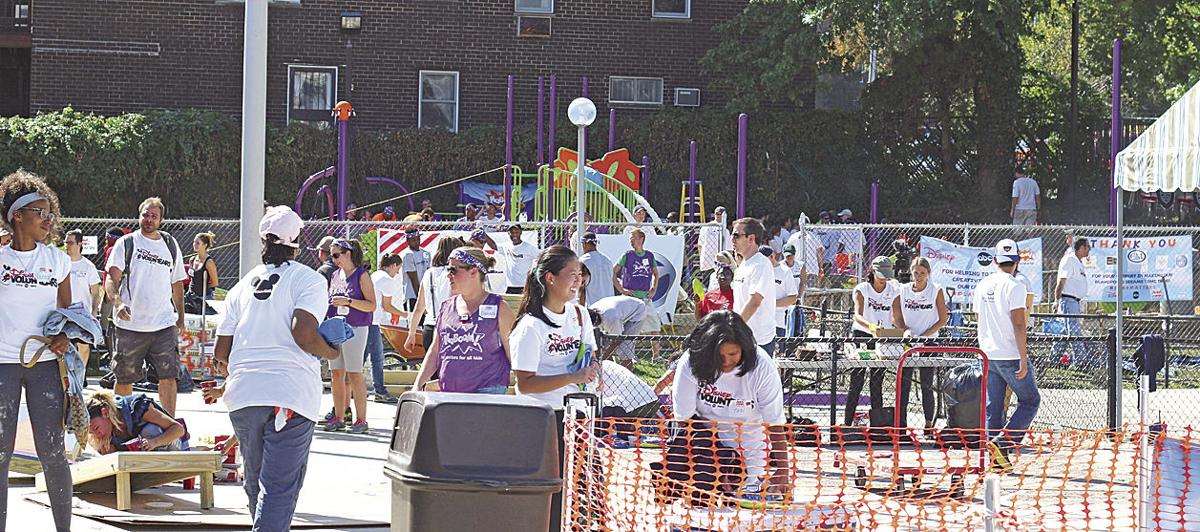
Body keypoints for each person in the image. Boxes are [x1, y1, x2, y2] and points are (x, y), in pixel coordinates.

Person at [213, 205, 341, 530]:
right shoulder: (308, 280)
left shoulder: (241, 287)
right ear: (296, 243)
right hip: (289, 396)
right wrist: (331, 352)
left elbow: (220, 351)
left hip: (242, 396)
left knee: (256, 484)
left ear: (262, 240)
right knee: (279, 489)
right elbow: (303, 333)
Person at [0, 170, 73, 532]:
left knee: (53, 453)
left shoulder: (57, 260)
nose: (48, 220)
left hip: (44, 364)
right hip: (3, 366)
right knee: (1, 455)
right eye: (39, 212)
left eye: (50, 213)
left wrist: (64, 337)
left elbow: (68, 313)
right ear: (17, 216)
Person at [664, 310, 788, 502]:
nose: (726, 362)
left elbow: (775, 422)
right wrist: (718, 462)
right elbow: (685, 421)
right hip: (701, 445)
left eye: (733, 354)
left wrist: (783, 470)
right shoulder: (690, 362)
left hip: (750, 450)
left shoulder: (762, 366)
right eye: (719, 356)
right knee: (700, 501)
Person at [105, 197, 188, 416]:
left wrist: (180, 315)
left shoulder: (170, 244)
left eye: (154, 216)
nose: (149, 220)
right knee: (124, 378)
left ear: (161, 220)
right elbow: (111, 279)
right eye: (145, 215)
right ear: (139, 215)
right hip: (130, 325)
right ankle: (122, 424)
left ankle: (170, 425)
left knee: (169, 376)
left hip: (163, 324)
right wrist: (118, 302)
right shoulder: (127, 243)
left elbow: (177, 282)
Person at [974, 239, 1040, 471]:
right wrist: (1023, 357)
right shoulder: (1016, 286)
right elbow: (1019, 324)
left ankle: (996, 461)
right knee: (1031, 401)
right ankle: (1002, 444)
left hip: (987, 353)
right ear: (1017, 261)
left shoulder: (982, 284)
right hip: (1009, 354)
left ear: (995, 260)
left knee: (994, 407)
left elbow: (978, 318)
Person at [413, 247, 515, 394]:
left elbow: (514, 354)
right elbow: (435, 351)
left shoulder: (499, 308)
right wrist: (418, 385)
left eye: (453, 270)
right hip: (450, 392)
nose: (448, 275)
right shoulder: (447, 306)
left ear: (473, 272)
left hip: (487, 393)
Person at [510, 245, 599, 408]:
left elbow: (591, 355)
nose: (578, 280)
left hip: (579, 411)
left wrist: (594, 368)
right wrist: (573, 377)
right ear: (550, 278)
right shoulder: (530, 326)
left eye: (580, 274)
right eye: (572, 274)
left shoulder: (580, 314)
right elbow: (525, 385)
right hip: (542, 415)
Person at [323, 239, 376, 433]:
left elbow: (371, 305)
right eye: (332, 255)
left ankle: (361, 419)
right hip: (336, 328)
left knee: (354, 373)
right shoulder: (336, 275)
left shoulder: (361, 275)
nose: (334, 259)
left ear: (348, 253)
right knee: (336, 373)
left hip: (356, 328)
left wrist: (349, 301)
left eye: (337, 255)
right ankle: (339, 415)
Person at [891, 257, 948, 430]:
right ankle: (901, 425)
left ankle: (929, 425)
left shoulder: (936, 290)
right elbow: (895, 314)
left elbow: (942, 319)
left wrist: (924, 336)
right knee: (904, 384)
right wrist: (905, 330)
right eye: (916, 272)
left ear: (928, 273)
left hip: (929, 342)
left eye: (922, 273)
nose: (919, 276)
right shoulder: (904, 290)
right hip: (909, 342)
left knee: (926, 384)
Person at [845, 256, 901, 428]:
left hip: (882, 336)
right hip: (862, 333)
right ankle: (847, 424)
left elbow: (897, 315)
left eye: (886, 274)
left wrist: (900, 330)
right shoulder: (862, 289)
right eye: (880, 274)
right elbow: (858, 314)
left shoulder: (893, 289)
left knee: (877, 382)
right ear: (872, 272)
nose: (883, 278)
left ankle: (878, 426)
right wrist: (870, 326)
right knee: (857, 380)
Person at [406, 237, 465, 353]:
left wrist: (411, 334)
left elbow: (419, 308)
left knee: (432, 367)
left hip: (429, 327)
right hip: (450, 326)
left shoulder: (429, 273)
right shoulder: (454, 274)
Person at [730, 217, 776, 355]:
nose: (732, 239)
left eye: (736, 235)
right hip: (743, 338)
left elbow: (755, 301)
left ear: (751, 239)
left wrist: (733, 327)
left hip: (759, 341)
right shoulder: (743, 265)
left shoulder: (760, 264)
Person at [85, 391, 186, 454]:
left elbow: (178, 429)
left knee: (151, 431)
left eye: (96, 428)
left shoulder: (137, 407)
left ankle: (158, 472)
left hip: (173, 444)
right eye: (91, 432)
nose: (96, 434)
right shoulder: (101, 435)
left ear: (105, 413)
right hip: (143, 459)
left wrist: (154, 442)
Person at [366, 253, 404, 404]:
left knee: (363, 357)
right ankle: (380, 391)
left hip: (366, 320)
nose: (398, 273)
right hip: (372, 322)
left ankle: (350, 387)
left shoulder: (376, 275)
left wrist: (395, 313)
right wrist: (405, 314)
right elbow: (386, 306)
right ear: (394, 265)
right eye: (398, 269)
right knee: (377, 358)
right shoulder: (387, 279)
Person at [1054, 237, 1093, 368]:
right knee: (1074, 331)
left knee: (1067, 332)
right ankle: (1081, 362)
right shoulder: (1070, 260)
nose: (1089, 250)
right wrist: (1056, 300)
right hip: (1068, 300)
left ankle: (1053, 358)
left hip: (1074, 302)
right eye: (1088, 247)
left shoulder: (1078, 262)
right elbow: (1061, 281)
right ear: (1082, 248)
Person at [65, 230, 102, 363]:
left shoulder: (88, 266)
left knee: (83, 345)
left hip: (82, 312)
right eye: (66, 242)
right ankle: (67, 376)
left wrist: (93, 312)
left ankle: (81, 373)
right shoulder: (61, 263)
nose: (67, 246)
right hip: (64, 311)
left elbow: (96, 292)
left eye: (70, 243)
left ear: (79, 244)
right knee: (64, 344)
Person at [587, 296, 648, 368]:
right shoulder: (589, 313)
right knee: (603, 345)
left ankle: (627, 374)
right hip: (622, 310)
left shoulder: (611, 318)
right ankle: (609, 370)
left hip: (637, 311)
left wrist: (602, 357)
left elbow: (617, 339)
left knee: (625, 347)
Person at [612, 228, 658, 301]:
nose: (631, 240)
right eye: (630, 238)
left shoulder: (649, 256)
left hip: (645, 297)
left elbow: (656, 273)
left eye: (633, 238)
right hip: (629, 297)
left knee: (650, 312)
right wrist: (621, 290)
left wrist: (653, 289)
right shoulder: (627, 255)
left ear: (641, 239)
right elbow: (613, 271)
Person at [765, 246, 798, 340]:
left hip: (779, 321)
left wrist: (772, 303)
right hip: (762, 321)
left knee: (780, 352)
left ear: (772, 256)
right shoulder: (760, 270)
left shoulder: (785, 271)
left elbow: (792, 298)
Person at [579, 232, 615, 306]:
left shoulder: (583, 261)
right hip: (610, 305)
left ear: (584, 244)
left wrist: (581, 310)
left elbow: (581, 288)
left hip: (593, 307)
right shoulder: (607, 260)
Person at [501, 224, 538, 295]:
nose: (514, 234)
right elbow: (493, 246)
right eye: (512, 232)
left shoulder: (529, 247)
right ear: (508, 233)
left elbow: (541, 257)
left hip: (525, 285)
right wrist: (484, 235)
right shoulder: (506, 246)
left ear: (521, 232)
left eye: (516, 232)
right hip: (510, 286)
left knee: (525, 306)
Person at [697, 206, 732, 282]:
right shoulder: (725, 230)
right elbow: (729, 250)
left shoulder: (705, 227)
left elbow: (700, 245)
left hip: (707, 262)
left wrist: (702, 258)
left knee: (706, 286)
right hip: (720, 263)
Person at [399, 226, 430, 310]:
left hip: (424, 293)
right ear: (407, 241)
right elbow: (413, 278)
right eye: (413, 240)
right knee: (412, 321)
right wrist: (420, 298)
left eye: (417, 239)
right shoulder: (408, 255)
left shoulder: (426, 253)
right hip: (413, 295)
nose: (416, 242)